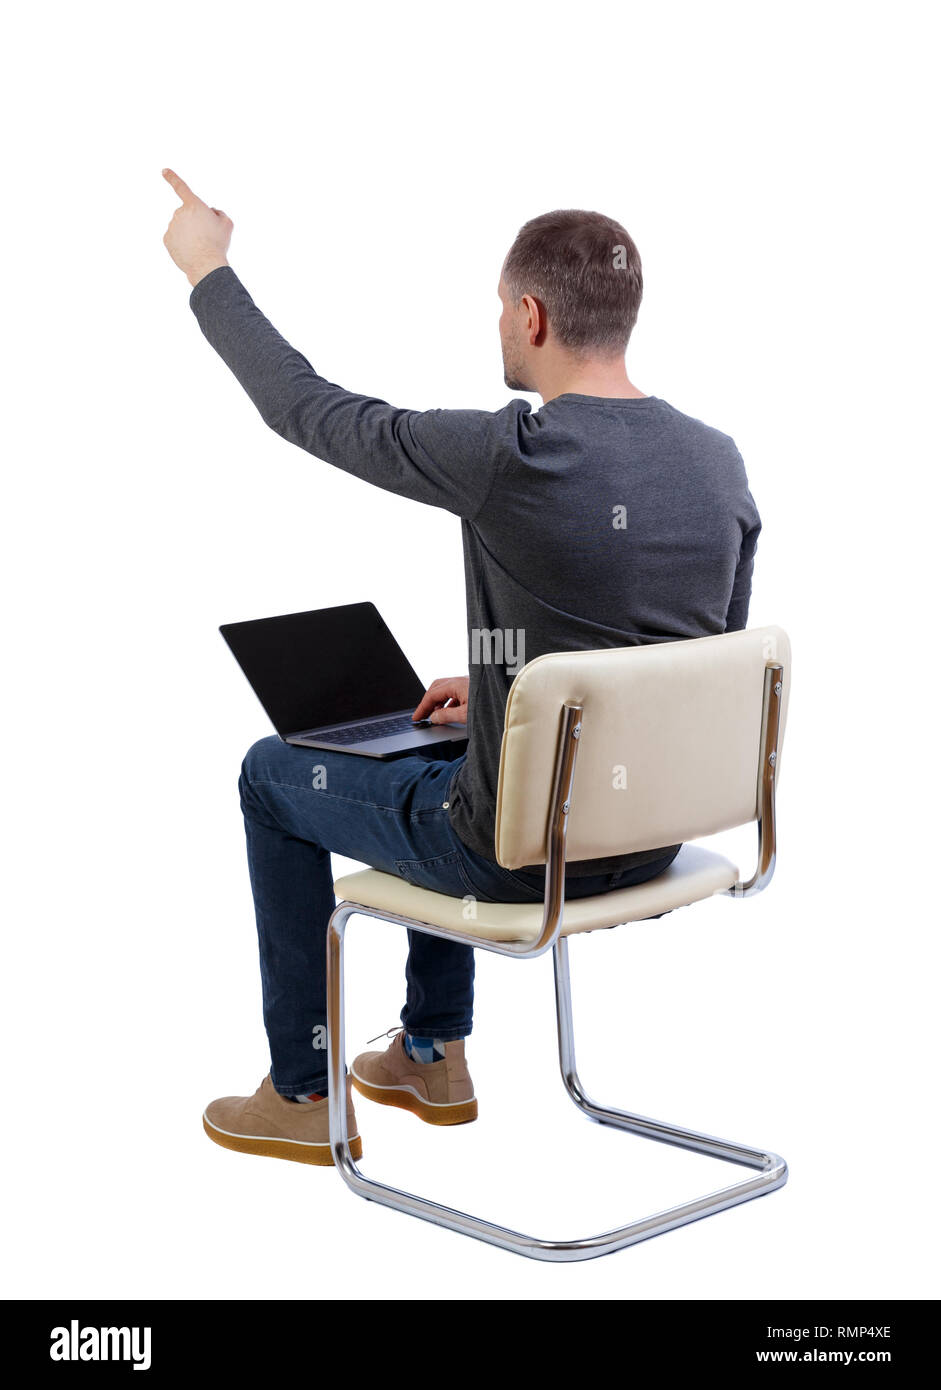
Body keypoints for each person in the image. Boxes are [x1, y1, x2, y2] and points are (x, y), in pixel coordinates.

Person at [161, 169, 761, 1167]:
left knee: (271, 772)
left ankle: (303, 1090)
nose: (496, 325)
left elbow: (303, 408)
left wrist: (207, 269)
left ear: (529, 312)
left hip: (516, 855)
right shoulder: (717, 461)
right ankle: (431, 1052)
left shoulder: (505, 454)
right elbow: (677, 672)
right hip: (647, 840)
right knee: (450, 747)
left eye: (497, 308)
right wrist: (494, 695)